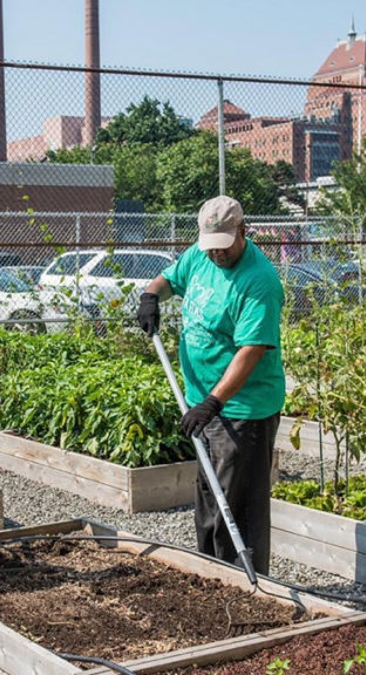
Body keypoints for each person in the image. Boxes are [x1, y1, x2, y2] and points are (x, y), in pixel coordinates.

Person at [135, 195, 285, 575]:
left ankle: (248, 585)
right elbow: (170, 279)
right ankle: (210, 572)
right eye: (210, 247)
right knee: (209, 495)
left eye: (224, 247)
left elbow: (250, 351)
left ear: (243, 232)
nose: (216, 255)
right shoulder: (201, 255)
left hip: (241, 409)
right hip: (202, 403)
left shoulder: (259, 281)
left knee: (238, 507)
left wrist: (213, 402)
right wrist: (152, 295)